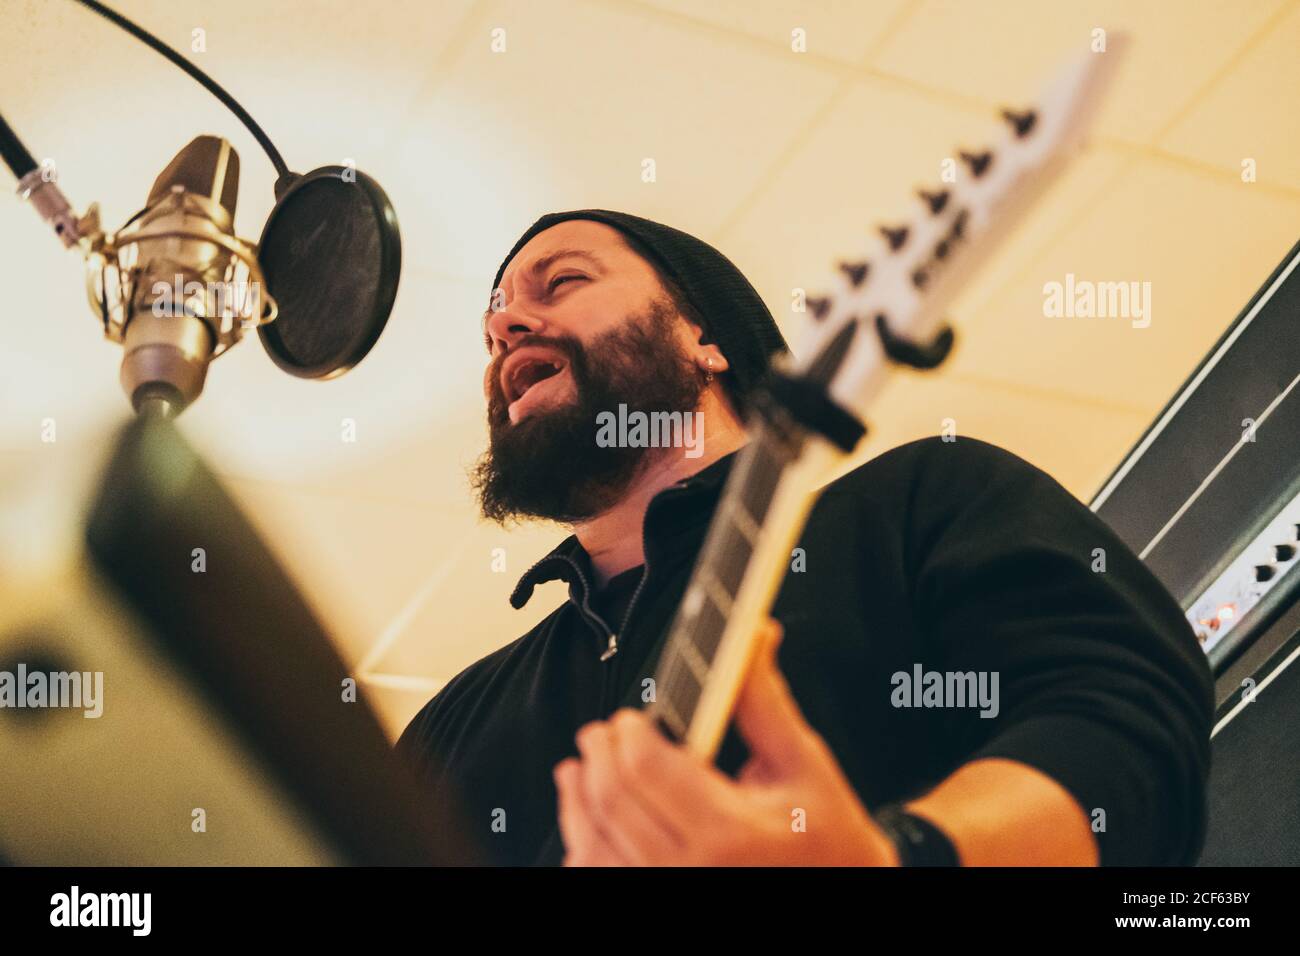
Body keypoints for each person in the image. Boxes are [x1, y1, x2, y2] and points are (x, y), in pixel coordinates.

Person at [396, 209, 1214, 867]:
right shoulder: (447, 731)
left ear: (702, 336)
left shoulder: (919, 503)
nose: (506, 323)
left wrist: (892, 857)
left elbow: (1129, 727)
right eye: (493, 320)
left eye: (563, 280)